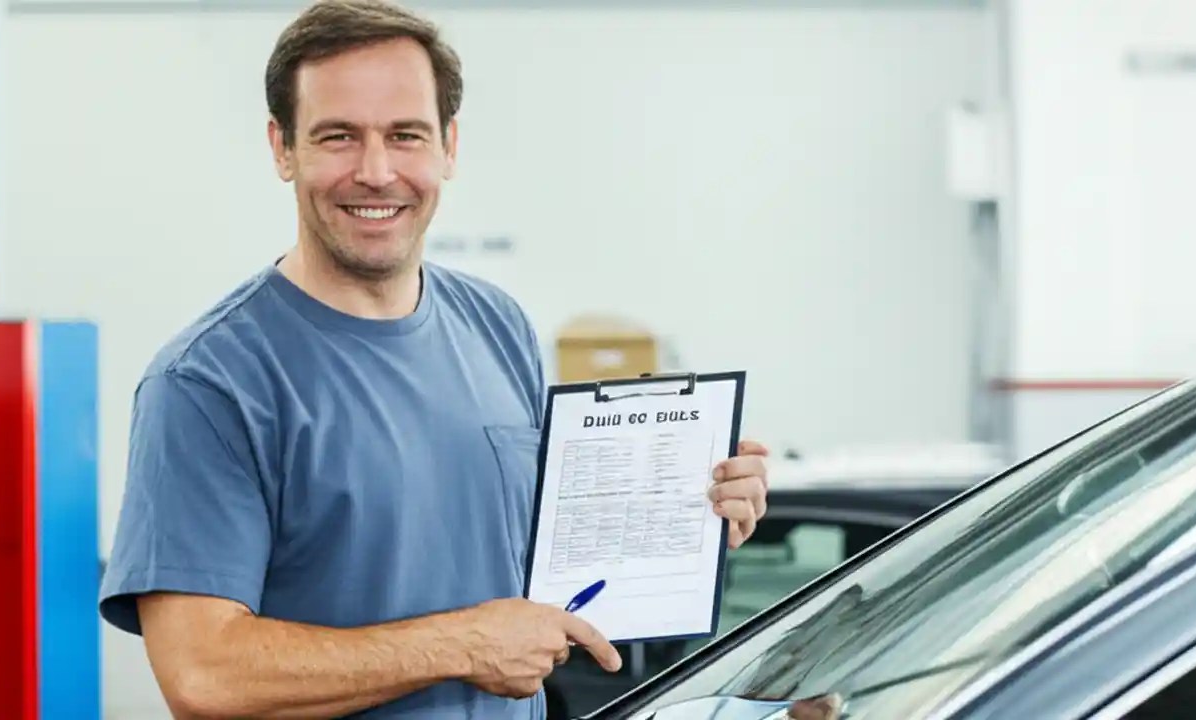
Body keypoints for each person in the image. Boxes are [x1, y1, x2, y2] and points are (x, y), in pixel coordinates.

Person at [97, 1, 772, 718]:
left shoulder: (497, 325)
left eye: (405, 135)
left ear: (448, 145)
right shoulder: (209, 383)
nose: (377, 171)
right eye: (337, 137)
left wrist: (684, 516)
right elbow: (205, 676)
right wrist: (461, 647)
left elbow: (542, 579)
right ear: (281, 148)